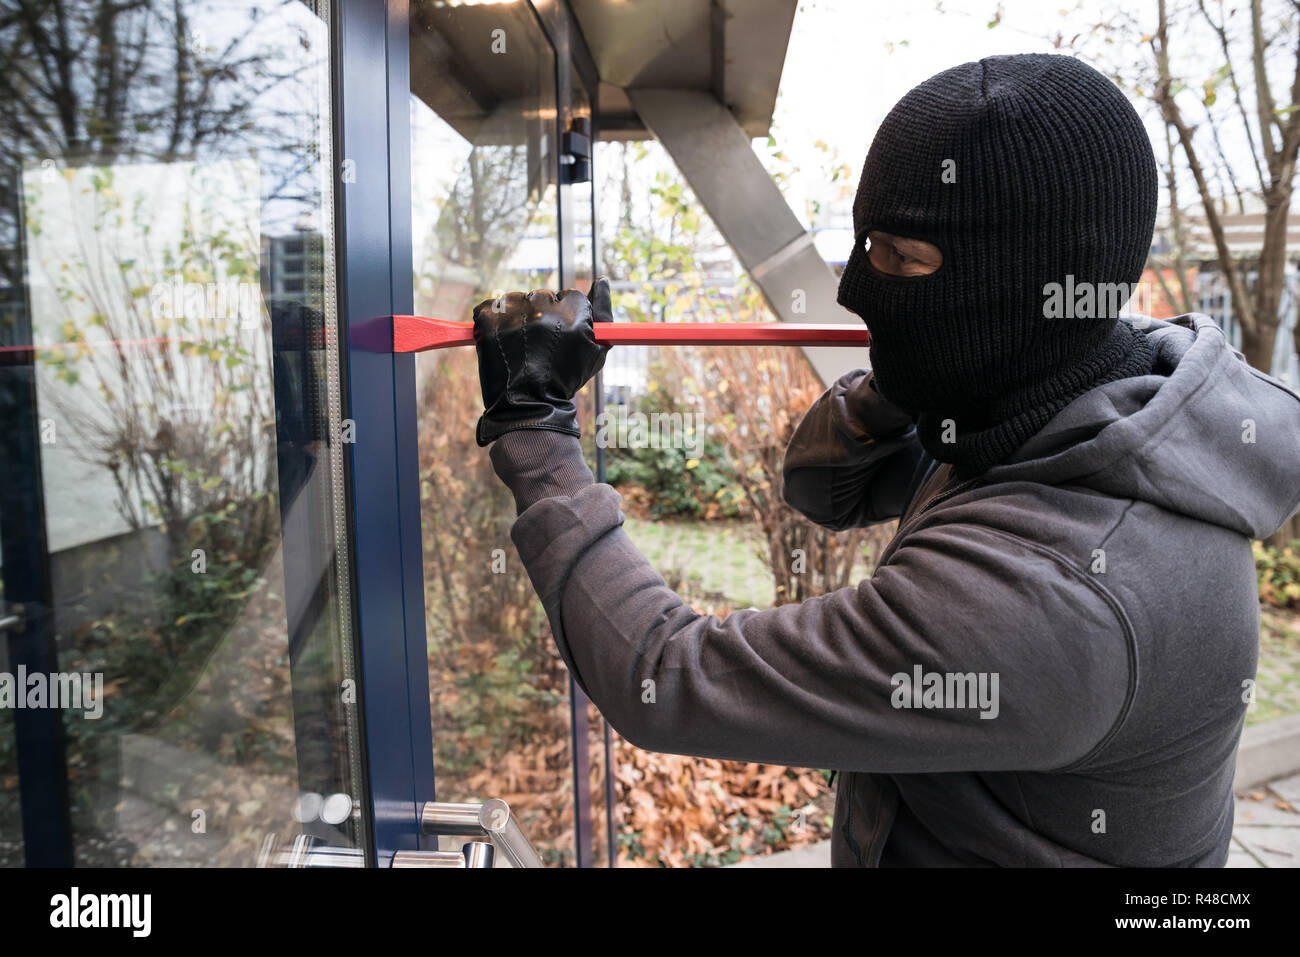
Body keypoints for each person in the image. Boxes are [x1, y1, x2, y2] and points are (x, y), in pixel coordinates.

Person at [469, 54, 1300, 866]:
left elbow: (666, 676)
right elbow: (825, 489)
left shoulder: (1051, 595)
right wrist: (911, 379)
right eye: (865, 244)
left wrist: (534, 425)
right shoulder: (1075, 391)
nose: (856, 291)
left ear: (1015, 287)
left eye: (900, 259)